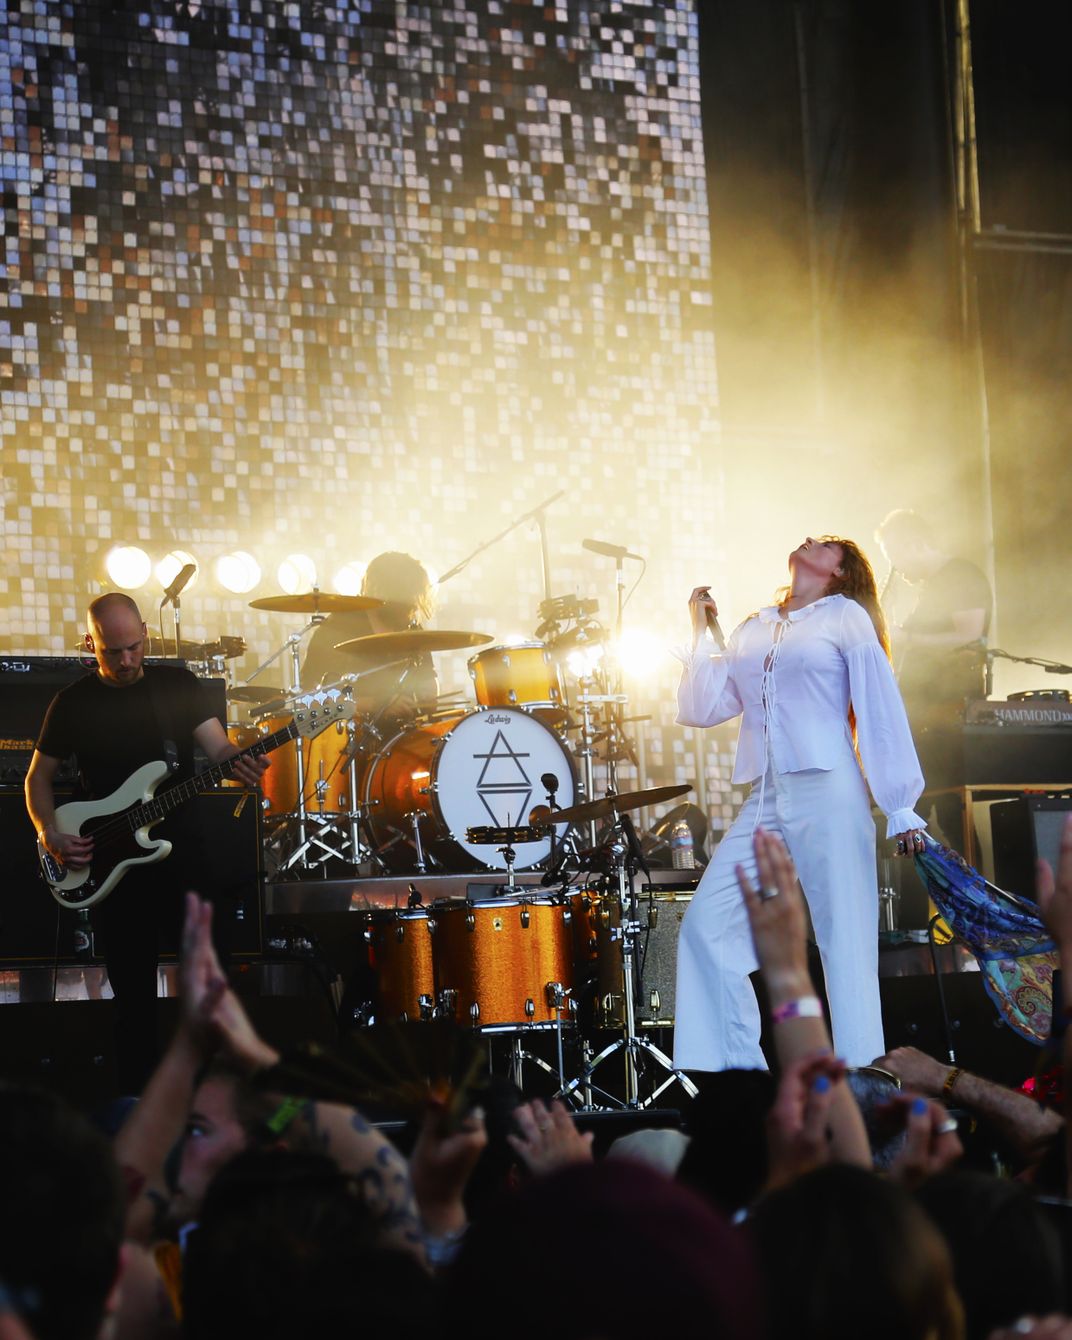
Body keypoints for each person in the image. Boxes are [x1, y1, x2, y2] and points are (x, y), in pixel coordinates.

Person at [673, 535, 926, 1072]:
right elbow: (702, 706)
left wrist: (900, 803)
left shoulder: (845, 618)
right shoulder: (755, 624)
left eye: (827, 543)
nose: (811, 540)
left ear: (839, 571)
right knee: (705, 929)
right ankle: (737, 1080)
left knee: (845, 945)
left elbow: (879, 709)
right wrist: (702, 633)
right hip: (765, 795)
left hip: (828, 789)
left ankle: (864, 1088)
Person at [23, 591, 268, 1091]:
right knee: (132, 998)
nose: (126, 660)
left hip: (184, 855)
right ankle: (137, 1106)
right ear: (91, 644)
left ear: (146, 637)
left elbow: (217, 746)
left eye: (133, 647)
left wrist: (237, 760)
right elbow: (36, 780)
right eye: (112, 651)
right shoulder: (73, 702)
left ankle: (217, 1101)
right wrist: (49, 832)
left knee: (211, 981)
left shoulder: (177, 684)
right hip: (113, 864)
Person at [875, 510, 993, 849]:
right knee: (920, 814)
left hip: (949, 716)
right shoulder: (932, 588)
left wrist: (906, 638)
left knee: (952, 816)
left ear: (914, 544)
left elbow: (969, 638)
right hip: (925, 718)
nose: (896, 568)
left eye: (895, 556)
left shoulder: (959, 576)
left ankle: (971, 900)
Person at [300, 551, 438, 731]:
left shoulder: (412, 630)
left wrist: (429, 696)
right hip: (347, 745)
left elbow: (428, 683)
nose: (411, 605)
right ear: (376, 589)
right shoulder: (336, 628)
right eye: (404, 596)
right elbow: (307, 700)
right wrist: (374, 705)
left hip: (404, 740)